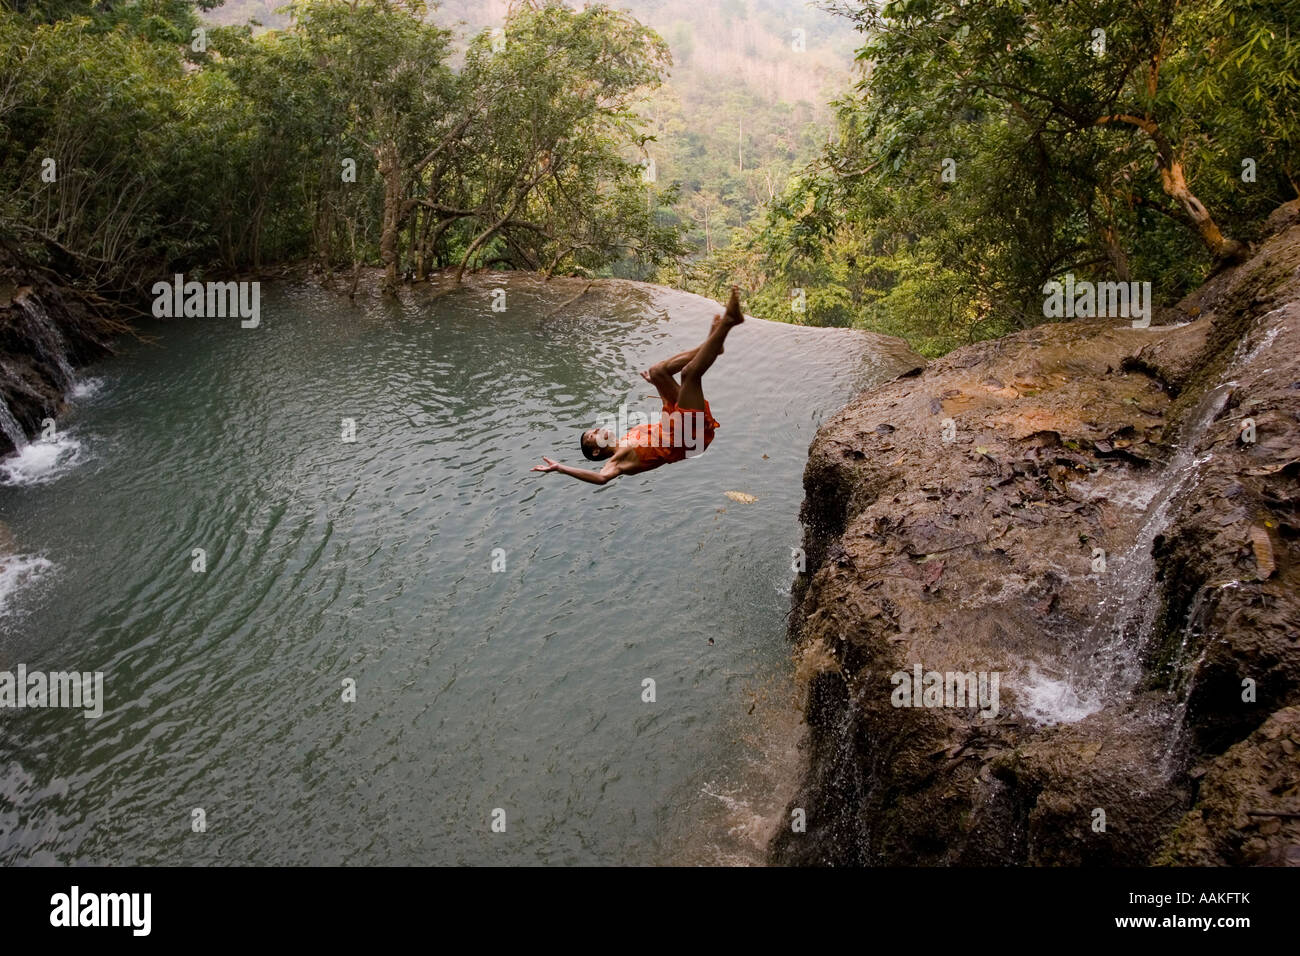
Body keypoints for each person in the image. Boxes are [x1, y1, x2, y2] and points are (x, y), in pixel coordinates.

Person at [531, 287, 744, 485]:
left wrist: (659, 386)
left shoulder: (628, 437)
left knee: (657, 372)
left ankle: (713, 345)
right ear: (596, 451)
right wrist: (561, 468)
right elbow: (600, 478)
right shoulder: (618, 462)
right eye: (592, 435)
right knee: (689, 374)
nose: (597, 428)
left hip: (674, 423)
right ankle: (728, 323)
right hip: (689, 438)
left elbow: (662, 428)